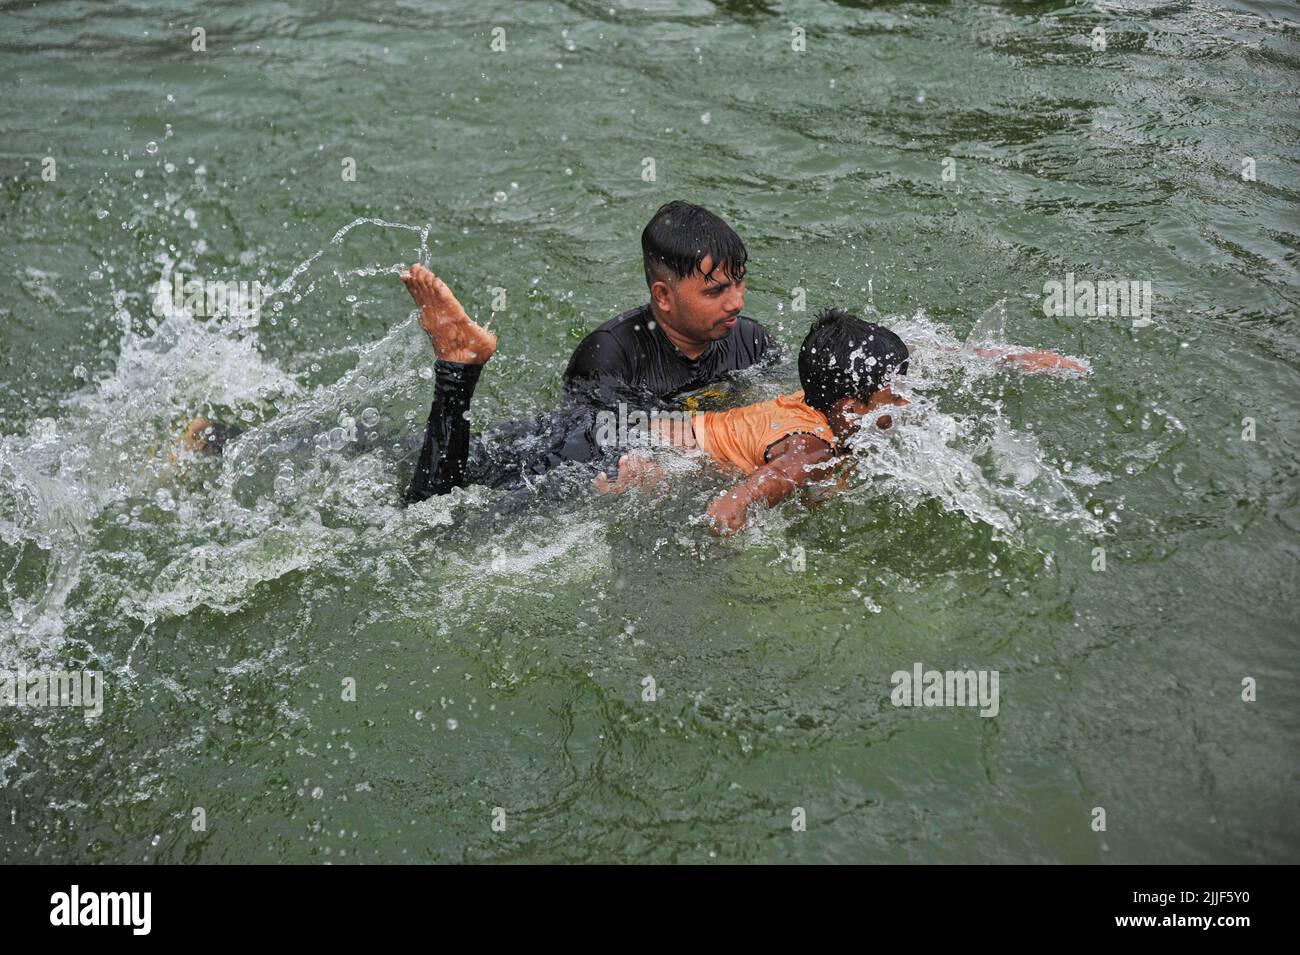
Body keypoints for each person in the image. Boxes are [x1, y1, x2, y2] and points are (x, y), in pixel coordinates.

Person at [399, 259, 918, 532]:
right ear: (851, 409)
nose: (908, 404)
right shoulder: (812, 450)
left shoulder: (810, 396)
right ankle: (457, 368)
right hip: (613, 455)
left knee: (453, 473)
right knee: (431, 516)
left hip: (605, 433)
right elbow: (726, 511)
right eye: (896, 396)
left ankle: (454, 372)